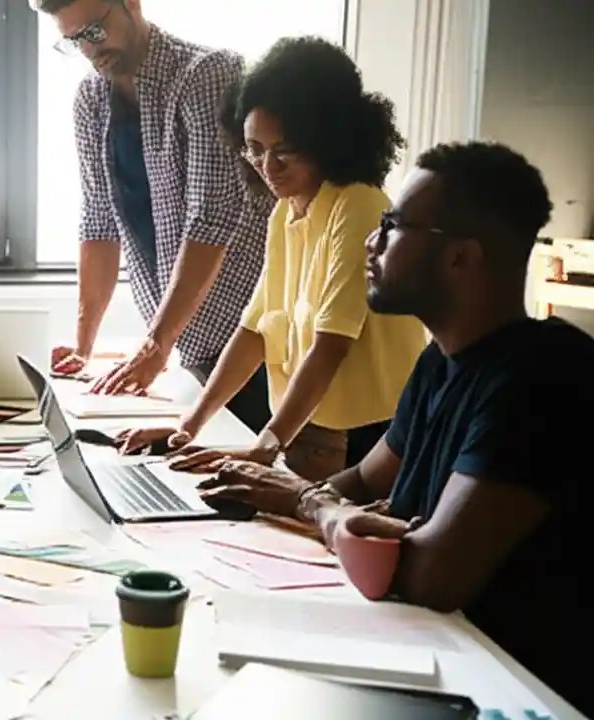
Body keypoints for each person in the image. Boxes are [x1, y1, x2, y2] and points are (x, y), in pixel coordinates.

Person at [197, 142, 591, 716]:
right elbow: (362, 481)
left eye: (393, 225)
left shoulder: (543, 377)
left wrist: (312, 504)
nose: (370, 242)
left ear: (460, 258)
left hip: (512, 689)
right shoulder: (441, 362)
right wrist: (310, 501)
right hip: (434, 649)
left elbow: (432, 574)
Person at [119, 38, 428, 481]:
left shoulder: (358, 205)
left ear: (328, 138)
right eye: (255, 148)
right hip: (314, 435)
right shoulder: (287, 211)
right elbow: (254, 331)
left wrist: (265, 446)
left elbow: (331, 344)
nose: (268, 165)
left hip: (376, 441)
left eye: (285, 149)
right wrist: (186, 426)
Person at [35, 0, 273, 432]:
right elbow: (98, 220)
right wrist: (83, 345)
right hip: (184, 341)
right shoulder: (91, 100)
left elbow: (212, 216)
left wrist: (156, 346)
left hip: (248, 331)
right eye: (72, 40)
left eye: (93, 30)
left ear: (131, 3)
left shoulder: (208, 74)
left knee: (248, 470)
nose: (89, 50)